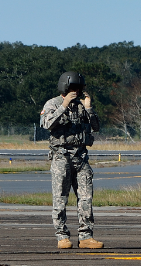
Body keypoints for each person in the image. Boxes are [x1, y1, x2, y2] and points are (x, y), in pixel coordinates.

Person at [40, 71, 103, 249]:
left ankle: (86, 236)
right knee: (60, 198)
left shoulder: (82, 106)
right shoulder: (53, 103)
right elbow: (47, 124)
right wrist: (64, 105)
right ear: (65, 88)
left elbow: (96, 127)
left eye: (78, 88)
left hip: (81, 157)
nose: (75, 91)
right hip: (61, 157)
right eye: (72, 88)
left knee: (86, 198)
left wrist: (89, 108)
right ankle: (62, 236)